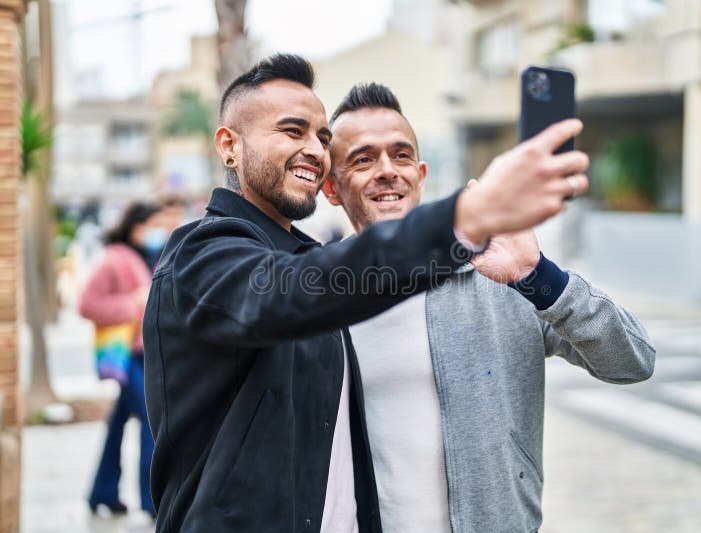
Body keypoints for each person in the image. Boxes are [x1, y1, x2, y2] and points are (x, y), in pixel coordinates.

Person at [142, 54, 588, 533]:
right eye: (293, 132)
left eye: (321, 138)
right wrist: (466, 219)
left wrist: (532, 274)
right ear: (229, 146)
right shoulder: (201, 254)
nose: (313, 149)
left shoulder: (302, 260)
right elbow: (290, 293)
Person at [321, 83, 656, 533]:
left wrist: (538, 276)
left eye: (401, 156)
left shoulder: (497, 275)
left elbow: (632, 361)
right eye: (363, 159)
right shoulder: (317, 297)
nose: (387, 171)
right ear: (331, 188)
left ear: (420, 174)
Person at [79, 202, 170, 518]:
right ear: (136, 226)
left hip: (144, 353)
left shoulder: (144, 256)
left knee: (118, 427)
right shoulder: (115, 258)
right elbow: (86, 304)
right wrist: (131, 305)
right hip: (129, 355)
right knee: (150, 423)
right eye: (152, 225)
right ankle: (151, 501)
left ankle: (101, 493)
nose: (158, 231)